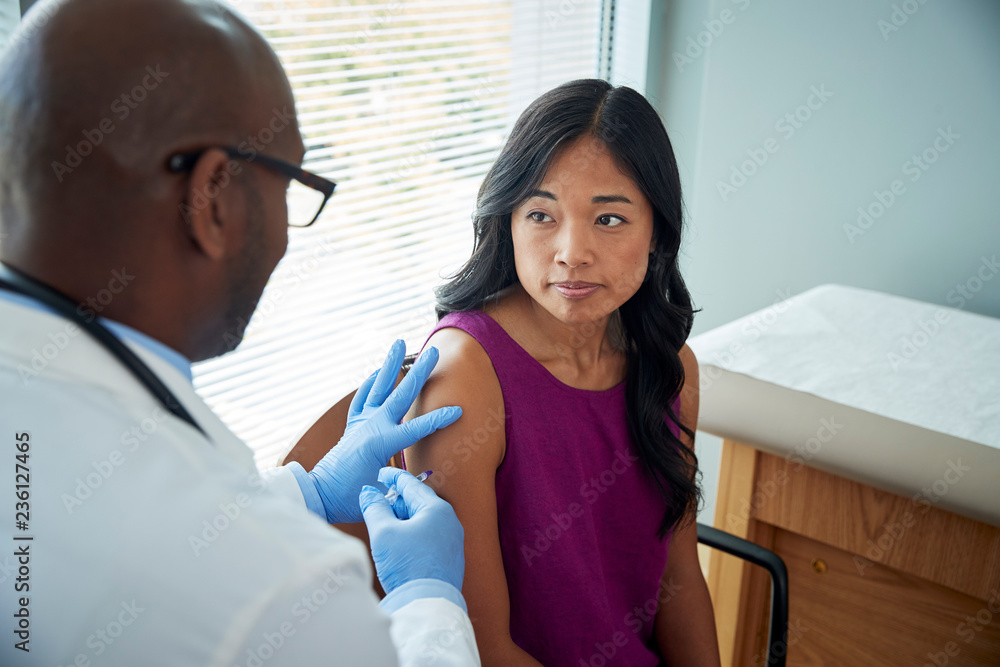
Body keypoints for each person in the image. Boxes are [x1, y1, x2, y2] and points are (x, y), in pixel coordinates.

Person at [0, 0, 480, 665]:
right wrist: (428, 600)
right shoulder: (280, 595)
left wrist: (305, 493)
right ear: (215, 199)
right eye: (292, 184)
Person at [400, 79, 722, 666]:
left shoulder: (672, 367)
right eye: (542, 214)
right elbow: (481, 646)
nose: (572, 251)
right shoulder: (463, 375)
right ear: (508, 222)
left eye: (610, 220)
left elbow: (680, 578)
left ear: (657, 232)